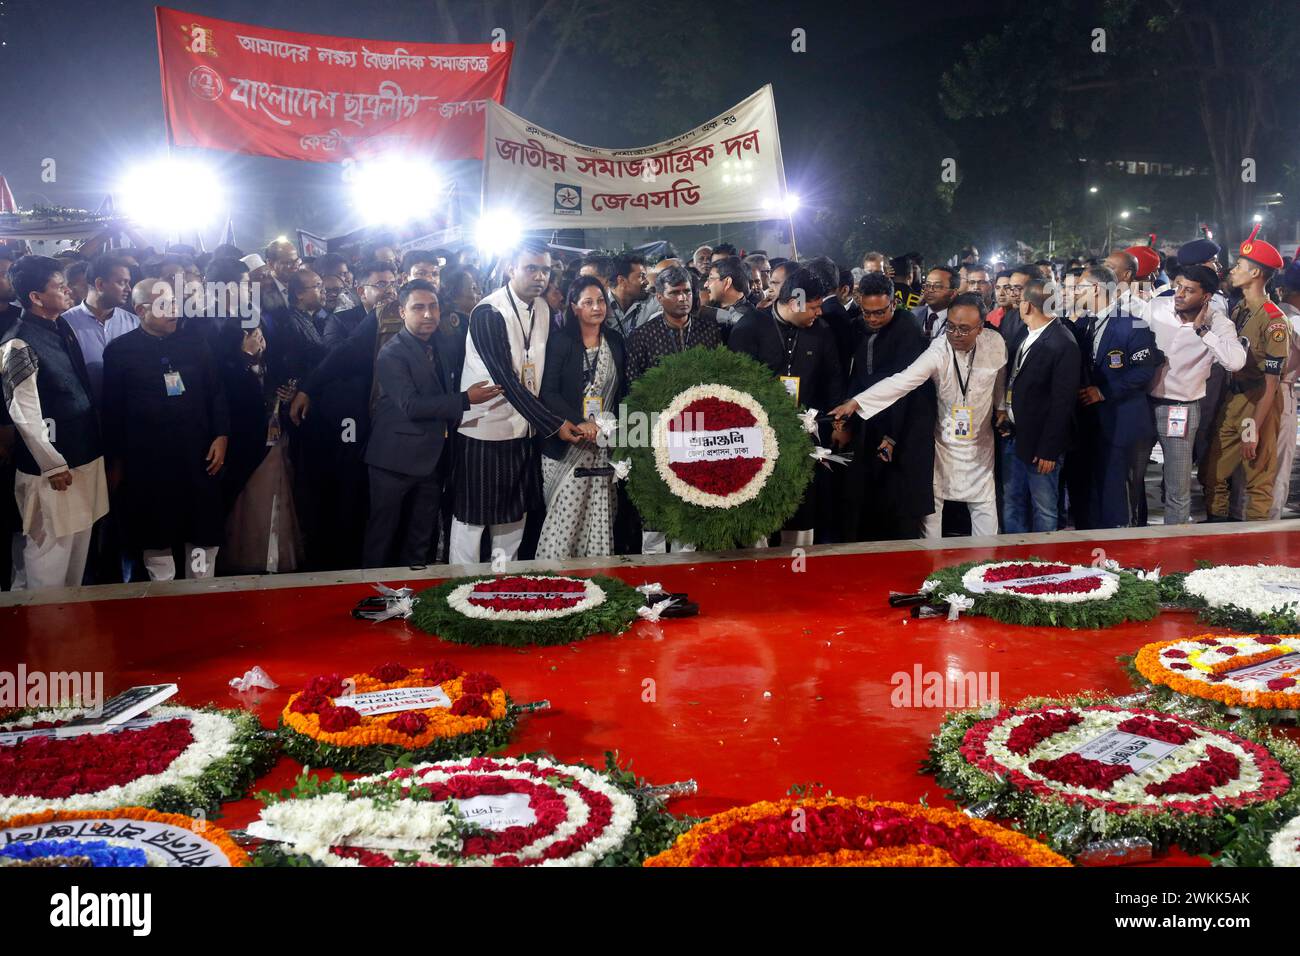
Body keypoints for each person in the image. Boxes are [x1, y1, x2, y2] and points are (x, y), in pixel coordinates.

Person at [450, 241, 584, 565]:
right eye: (531, 268)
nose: (540, 276)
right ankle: (458, 588)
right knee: (472, 516)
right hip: (484, 427)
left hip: (523, 429)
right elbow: (506, 381)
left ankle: (503, 585)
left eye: (545, 270)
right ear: (511, 268)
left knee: (513, 512)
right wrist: (553, 424)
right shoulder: (487, 311)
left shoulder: (543, 308)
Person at [831, 293, 1007, 539]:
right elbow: (902, 381)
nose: (956, 335)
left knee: (984, 503)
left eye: (964, 329)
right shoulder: (938, 350)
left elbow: (1000, 378)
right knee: (932, 506)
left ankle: (984, 564)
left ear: (981, 328)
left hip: (980, 441)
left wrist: (1001, 407)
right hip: (943, 441)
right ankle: (929, 564)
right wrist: (857, 402)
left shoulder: (995, 342)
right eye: (951, 327)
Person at [364, 280, 498, 568]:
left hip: (433, 461)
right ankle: (369, 597)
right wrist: (465, 399)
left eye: (433, 306)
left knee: (421, 538)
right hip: (394, 461)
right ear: (402, 312)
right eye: (418, 307)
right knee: (383, 536)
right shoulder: (391, 353)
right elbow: (411, 405)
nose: (428, 314)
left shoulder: (443, 345)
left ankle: (417, 598)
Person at [101, 280, 228, 581]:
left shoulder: (195, 343)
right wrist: (115, 462)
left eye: (175, 303)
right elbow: (113, 412)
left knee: (202, 527)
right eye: (165, 305)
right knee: (154, 529)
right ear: (140, 310)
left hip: (198, 454)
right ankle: (164, 594)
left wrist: (222, 435)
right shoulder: (120, 351)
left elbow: (216, 392)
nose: (174, 311)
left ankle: (200, 591)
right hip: (147, 460)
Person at [0, 256, 108, 589]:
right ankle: (45, 631)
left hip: (83, 455)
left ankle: (68, 627)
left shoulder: (60, 325)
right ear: (35, 296)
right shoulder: (18, 341)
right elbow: (23, 410)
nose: (68, 292)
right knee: (49, 554)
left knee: (77, 550)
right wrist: (51, 463)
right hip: (53, 468)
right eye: (59, 287)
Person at [730, 266, 843, 546]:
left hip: (803, 442)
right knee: (758, 518)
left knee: (801, 513)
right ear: (795, 303)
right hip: (757, 442)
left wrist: (837, 424)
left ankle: (799, 576)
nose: (819, 313)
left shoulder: (822, 333)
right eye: (814, 306)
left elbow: (833, 382)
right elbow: (732, 387)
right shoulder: (749, 328)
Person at [626, 265, 723, 553]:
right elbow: (633, 389)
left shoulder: (710, 332)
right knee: (655, 509)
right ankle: (654, 583)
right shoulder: (642, 336)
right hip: (656, 433)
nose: (683, 298)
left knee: (689, 504)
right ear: (659, 297)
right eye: (675, 293)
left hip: (699, 432)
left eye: (687, 292)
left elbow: (721, 381)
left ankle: (687, 570)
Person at [1145, 265, 1246, 525]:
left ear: (1206, 297)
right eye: (1178, 286)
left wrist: (1203, 332)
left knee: (1177, 486)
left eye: (1189, 290)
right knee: (1131, 478)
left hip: (1181, 408)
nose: (1179, 294)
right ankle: (1132, 538)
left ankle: (1174, 547)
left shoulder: (1218, 323)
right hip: (1142, 404)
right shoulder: (1157, 308)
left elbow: (1235, 362)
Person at [1202, 226, 1290, 521]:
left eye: (1240, 266)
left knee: (1258, 480)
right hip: (1234, 399)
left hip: (1259, 402)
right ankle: (1217, 539)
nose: (1233, 270)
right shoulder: (1239, 310)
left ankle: (1255, 552)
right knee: (1212, 473)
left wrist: (1255, 426)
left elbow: (1272, 381)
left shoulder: (1275, 321)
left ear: (1255, 274)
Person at [839, 271, 934, 541]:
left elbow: (906, 389)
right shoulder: (857, 326)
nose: (873, 319)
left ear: (894, 303)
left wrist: (892, 437)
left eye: (880, 312)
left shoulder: (908, 331)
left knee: (896, 503)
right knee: (861, 496)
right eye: (867, 312)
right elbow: (856, 377)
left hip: (901, 425)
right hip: (865, 421)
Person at [536, 276, 626, 558]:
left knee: (600, 516)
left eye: (600, 301)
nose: (597, 307)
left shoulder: (614, 340)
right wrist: (579, 422)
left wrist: (612, 428)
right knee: (564, 520)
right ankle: (557, 583)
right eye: (588, 302)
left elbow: (622, 389)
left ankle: (598, 580)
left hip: (603, 445)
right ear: (574, 307)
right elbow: (548, 393)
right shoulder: (561, 343)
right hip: (568, 445)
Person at [1071, 264, 1162, 528]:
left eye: (1080, 287)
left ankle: (1122, 544)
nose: (1076, 292)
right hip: (1092, 423)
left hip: (1122, 420)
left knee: (1118, 489)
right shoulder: (1085, 324)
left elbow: (1143, 370)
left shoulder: (1132, 324)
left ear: (1096, 289)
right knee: (1094, 487)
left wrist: (1103, 391)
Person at [214, 319, 302, 575]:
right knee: (250, 501)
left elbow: (277, 397)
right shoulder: (228, 367)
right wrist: (247, 358)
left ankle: (275, 556)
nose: (259, 339)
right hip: (246, 446)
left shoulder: (273, 365)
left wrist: (287, 397)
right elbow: (233, 403)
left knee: (277, 497)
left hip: (276, 442)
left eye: (260, 333)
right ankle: (246, 557)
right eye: (251, 334)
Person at [997, 278, 1081, 533]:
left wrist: (1049, 450)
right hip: (1015, 435)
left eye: (1020, 299)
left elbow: (1062, 403)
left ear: (1029, 306)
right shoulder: (1027, 334)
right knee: (1012, 502)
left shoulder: (1062, 343)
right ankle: (1013, 560)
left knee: (1043, 507)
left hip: (1040, 445)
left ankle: (1044, 561)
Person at [61, 255, 139, 402]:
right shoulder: (65, 324)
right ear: (100, 284)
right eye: (122, 282)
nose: (128, 289)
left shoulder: (134, 323)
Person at [1270, 261, 1300, 519]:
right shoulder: (1294, 321)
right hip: (1281, 394)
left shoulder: (1274, 312)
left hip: (1259, 393)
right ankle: (1268, 527)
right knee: (1278, 466)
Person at [704, 255, 757, 342]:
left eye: (711, 278)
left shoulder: (746, 317)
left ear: (727, 282)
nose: (706, 285)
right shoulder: (712, 308)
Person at [607, 253, 650, 336]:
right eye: (641, 276)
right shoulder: (602, 307)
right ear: (622, 280)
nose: (647, 282)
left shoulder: (649, 302)